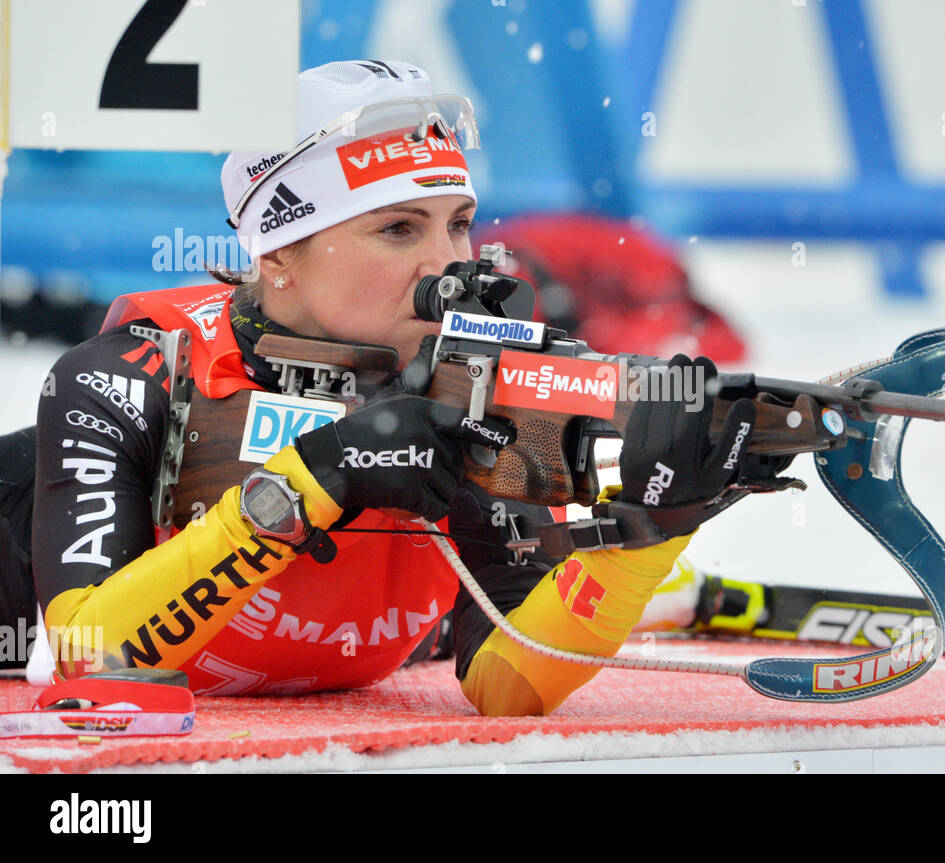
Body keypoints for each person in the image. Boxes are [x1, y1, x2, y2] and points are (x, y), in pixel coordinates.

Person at [24, 60, 754, 716]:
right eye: (400, 229)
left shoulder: (472, 384)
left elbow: (507, 681)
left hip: (377, 653)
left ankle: (687, 587)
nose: (447, 266)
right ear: (278, 252)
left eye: (460, 224)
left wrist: (651, 528)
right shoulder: (123, 376)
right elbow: (92, 655)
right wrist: (317, 477)